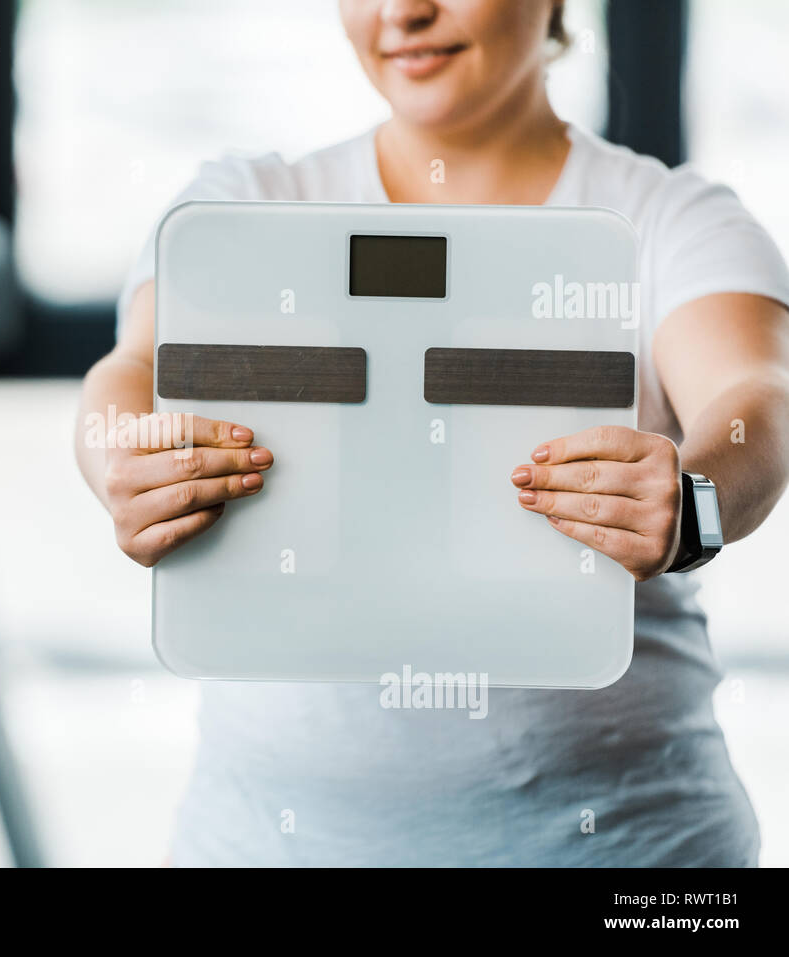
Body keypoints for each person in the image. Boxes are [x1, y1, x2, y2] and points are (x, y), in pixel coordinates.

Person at [74, 0, 789, 865]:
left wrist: (691, 498)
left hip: (631, 853)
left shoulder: (672, 215)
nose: (404, 11)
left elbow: (757, 396)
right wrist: (119, 452)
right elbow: (131, 371)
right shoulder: (246, 203)